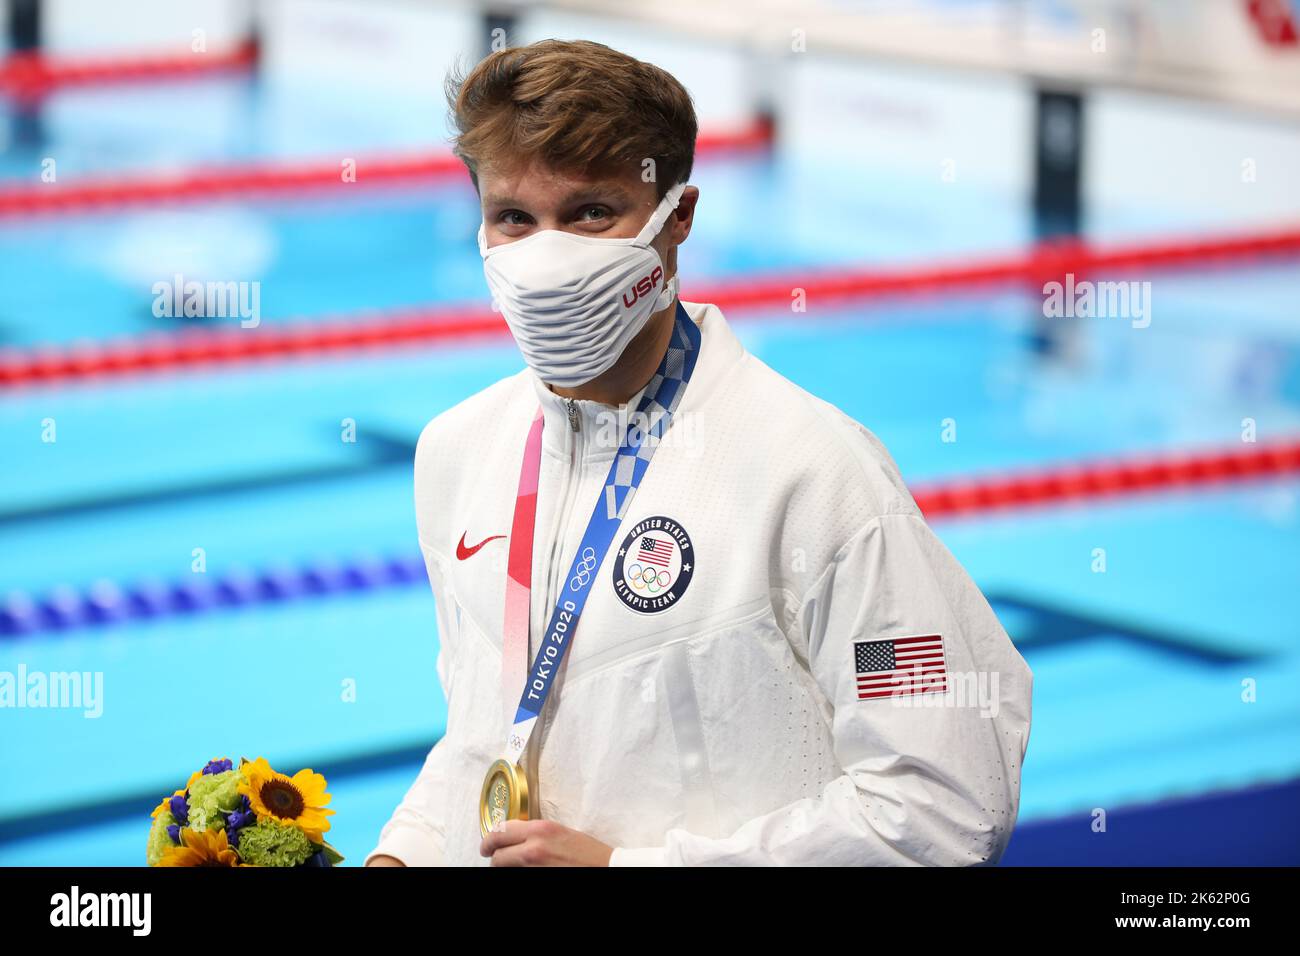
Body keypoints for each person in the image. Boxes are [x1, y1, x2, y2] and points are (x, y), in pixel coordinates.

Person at [366, 38, 1032, 867]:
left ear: (676, 219)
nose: (546, 258)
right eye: (514, 218)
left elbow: (944, 804)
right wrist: (403, 852)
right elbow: (481, 740)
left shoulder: (816, 473)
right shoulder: (458, 452)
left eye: (589, 213)